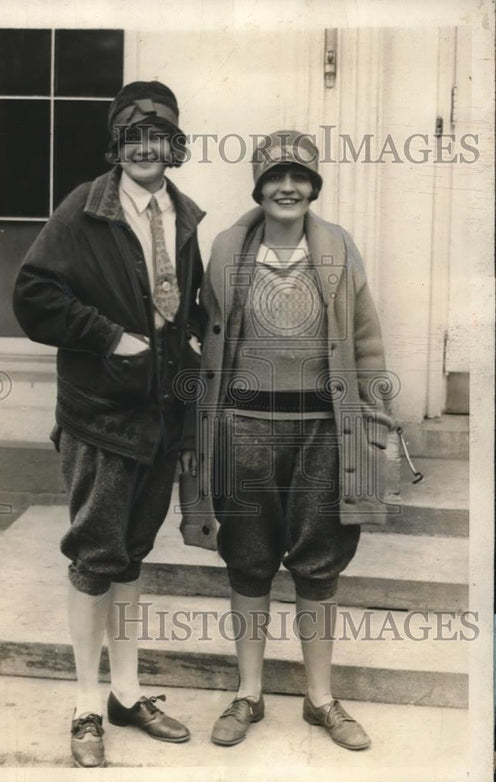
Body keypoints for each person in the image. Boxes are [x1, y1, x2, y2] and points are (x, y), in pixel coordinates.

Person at [13, 81, 205, 768]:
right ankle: (86, 705)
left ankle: (128, 693)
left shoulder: (182, 215)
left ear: (174, 145)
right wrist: (110, 337)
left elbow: (190, 317)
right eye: (134, 138)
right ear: (117, 146)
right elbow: (32, 295)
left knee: (133, 557)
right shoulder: (83, 209)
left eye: (159, 136)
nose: (147, 148)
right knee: (95, 560)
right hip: (99, 416)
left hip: (160, 416)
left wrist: (199, 362)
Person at [188, 130, 395, 751]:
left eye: (299, 177)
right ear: (259, 185)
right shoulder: (227, 249)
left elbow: (365, 337)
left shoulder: (338, 249)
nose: (287, 187)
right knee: (248, 559)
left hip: (322, 433)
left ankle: (321, 698)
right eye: (276, 176)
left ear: (313, 187)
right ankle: (247, 693)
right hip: (244, 428)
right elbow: (206, 333)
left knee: (319, 561)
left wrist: (375, 417)